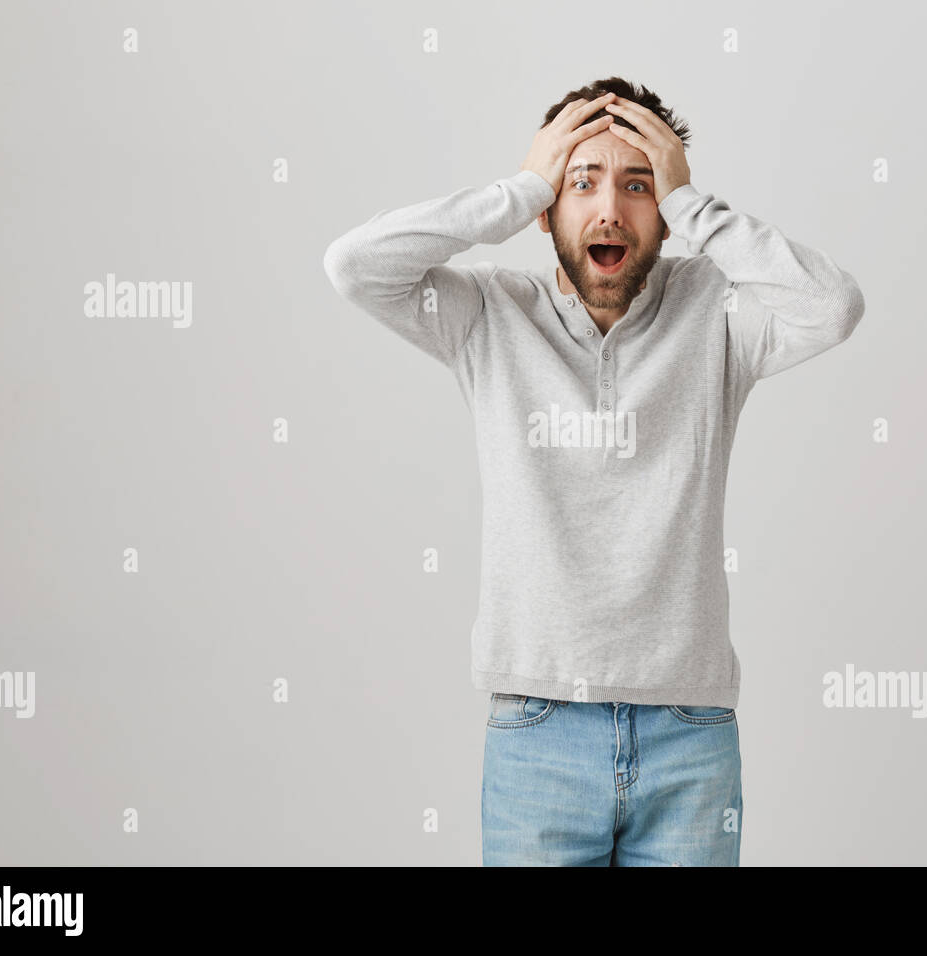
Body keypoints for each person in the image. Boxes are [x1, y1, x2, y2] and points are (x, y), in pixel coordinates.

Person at [323, 76, 866, 866]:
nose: (610, 208)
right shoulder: (489, 316)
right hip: (538, 734)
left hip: (690, 736)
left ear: (666, 210)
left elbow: (834, 306)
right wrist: (517, 190)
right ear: (548, 209)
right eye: (583, 183)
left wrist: (695, 206)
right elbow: (353, 265)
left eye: (637, 185)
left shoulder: (717, 314)